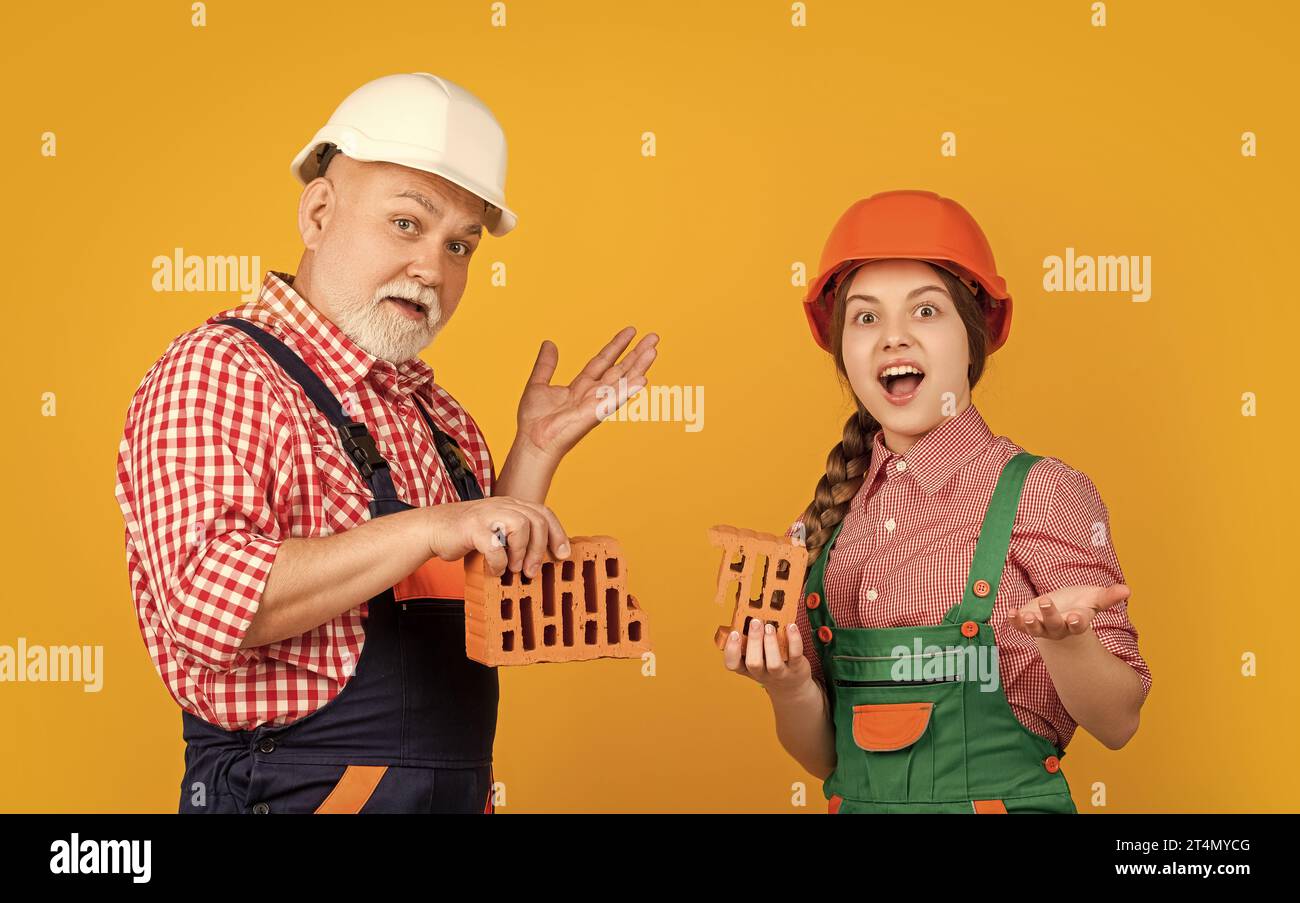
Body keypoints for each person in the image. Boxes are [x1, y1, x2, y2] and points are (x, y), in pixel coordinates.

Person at [114, 72, 657, 814]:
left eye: (460, 245)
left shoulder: (441, 420)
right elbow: (213, 606)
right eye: (407, 224)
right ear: (319, 210)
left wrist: (532, 454)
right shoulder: (222, 371)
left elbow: (485, 606)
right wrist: (431, 525)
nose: (433, 268)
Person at [721, 189, 1151, 813]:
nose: (893, 338)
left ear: (973, 338)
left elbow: (1120, 723)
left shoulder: (1043, 493)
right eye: (866, 318)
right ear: (842, 351)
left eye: (925, 312)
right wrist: (787, 688)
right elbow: (829, 760)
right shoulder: (827, 526)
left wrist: (1069, 642)